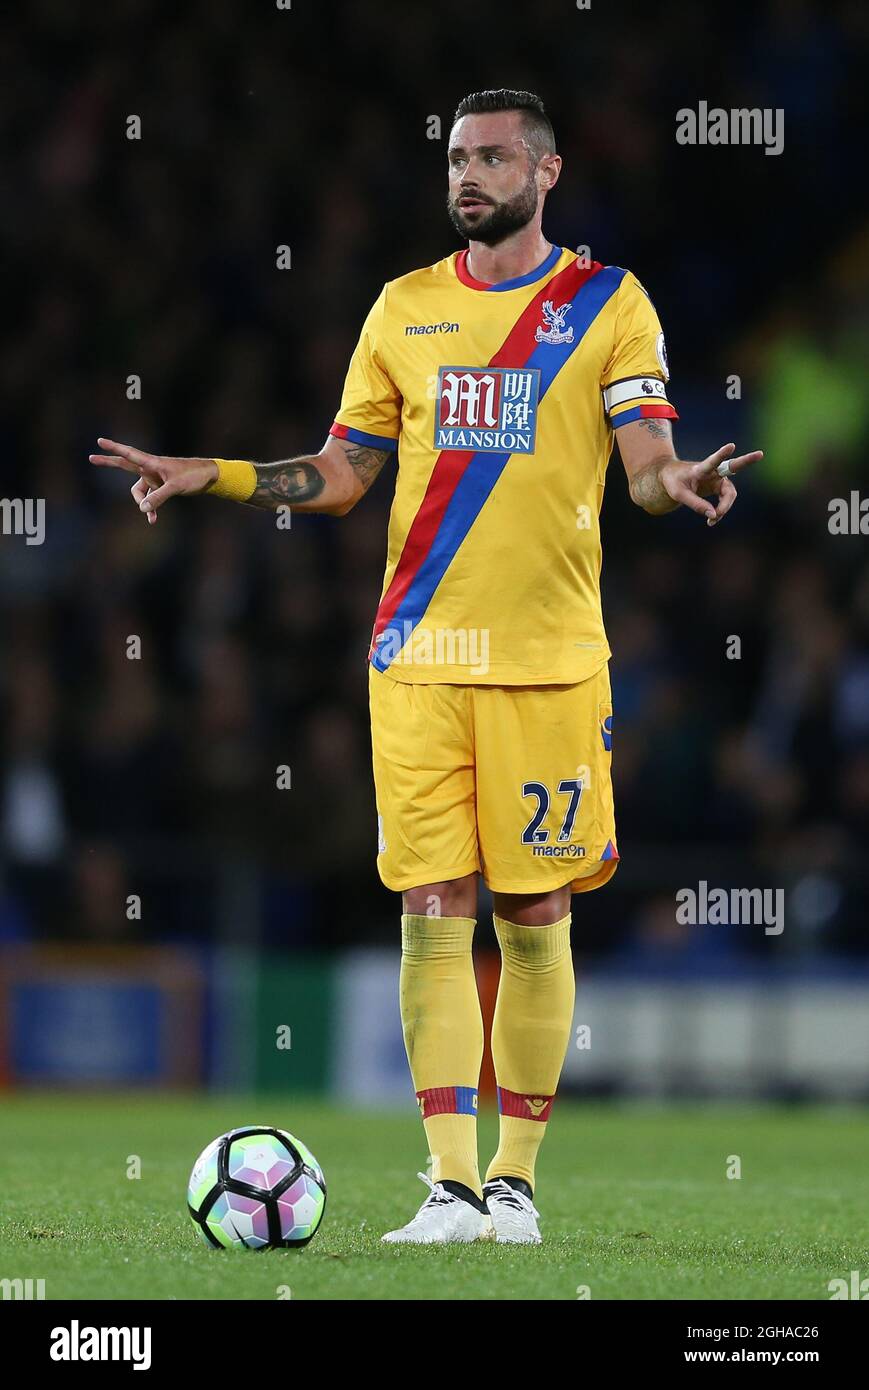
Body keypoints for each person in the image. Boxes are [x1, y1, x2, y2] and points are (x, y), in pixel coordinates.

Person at [90, 88, 762, 1246]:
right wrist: (225, 473)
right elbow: (345, 470)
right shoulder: (401, 307)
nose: (468, 173)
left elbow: (645, 462)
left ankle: (515, 1181)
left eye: (494, 156)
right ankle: (449, 1186)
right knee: (430, 909)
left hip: (548, 665)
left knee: (533, 912)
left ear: (545, 173)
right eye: (456, 156)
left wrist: (677, 484)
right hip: (414, 659)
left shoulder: (605, 303)